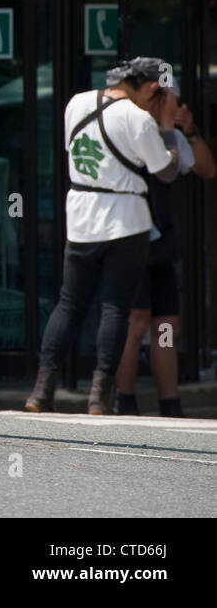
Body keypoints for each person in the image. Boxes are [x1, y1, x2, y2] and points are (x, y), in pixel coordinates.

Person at [26, 57, 182, 415]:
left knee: (69, 304)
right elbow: (167, 170)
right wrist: (169, 125)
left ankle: (40, 390)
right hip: (126, 222)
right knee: (115, 307)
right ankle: (99, 396)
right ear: (148, 87)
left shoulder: (76, 103)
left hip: (81, 217)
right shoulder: (139, 118)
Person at [115, 88, 214, 417]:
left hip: (162, 242)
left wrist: (188, 129)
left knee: (167, 324)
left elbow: (207, 169)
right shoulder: (132, 129)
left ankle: (170, 403)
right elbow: (160, 169)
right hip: (131, 236)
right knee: (136, 321)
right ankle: (123, 400)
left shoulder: (168, 134)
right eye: (164, 99)